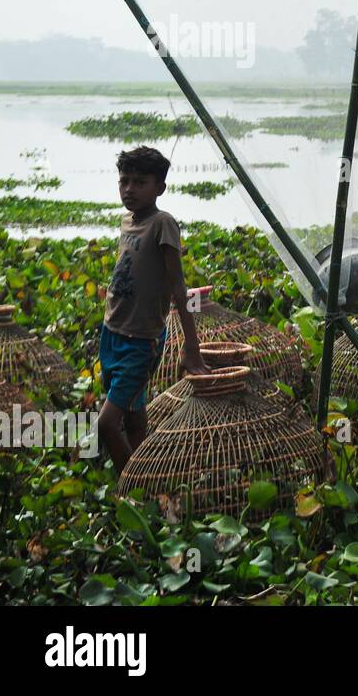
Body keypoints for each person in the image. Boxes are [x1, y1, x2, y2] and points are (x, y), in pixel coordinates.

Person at [98, 146, 206, 473]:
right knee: (132, 413)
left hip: (140, 340)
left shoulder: (163, 224)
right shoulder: (127, 221)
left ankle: (133, 486)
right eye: (124, 181)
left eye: (140, 182)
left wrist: (191, 346)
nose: (129, 189)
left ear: (160, 187)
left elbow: (178, 287)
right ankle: (143, 477)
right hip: (112, 332)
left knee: (106, 424)